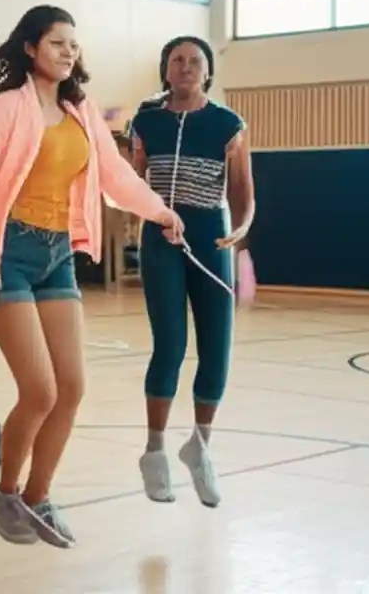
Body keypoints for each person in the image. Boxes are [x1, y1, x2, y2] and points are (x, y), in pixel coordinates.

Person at [0, 4, 184, 548]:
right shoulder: (3, 109)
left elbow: (114, 175)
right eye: (56, 43)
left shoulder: (81, 109)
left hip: (56, 256)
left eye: (73, 44)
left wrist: (160, 211)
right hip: (6, 254)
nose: (68, 52)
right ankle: (5, 492)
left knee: (71, 388)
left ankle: (37, 496)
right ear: (30, 48)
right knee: (40, 390)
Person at [128, 36, 254, 507]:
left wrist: (240, 230)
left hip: (210, 239)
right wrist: (148, 213)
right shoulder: (146, 122)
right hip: (162, 239)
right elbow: (133, 180)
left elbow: (242, 190)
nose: (185, 68)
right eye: (177, 61)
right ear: (165, 70)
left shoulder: (228, 124)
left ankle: (199, 447)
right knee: (171, 346)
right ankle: (155, 450)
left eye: (195, 61)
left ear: (207, 71)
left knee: (217, 348)